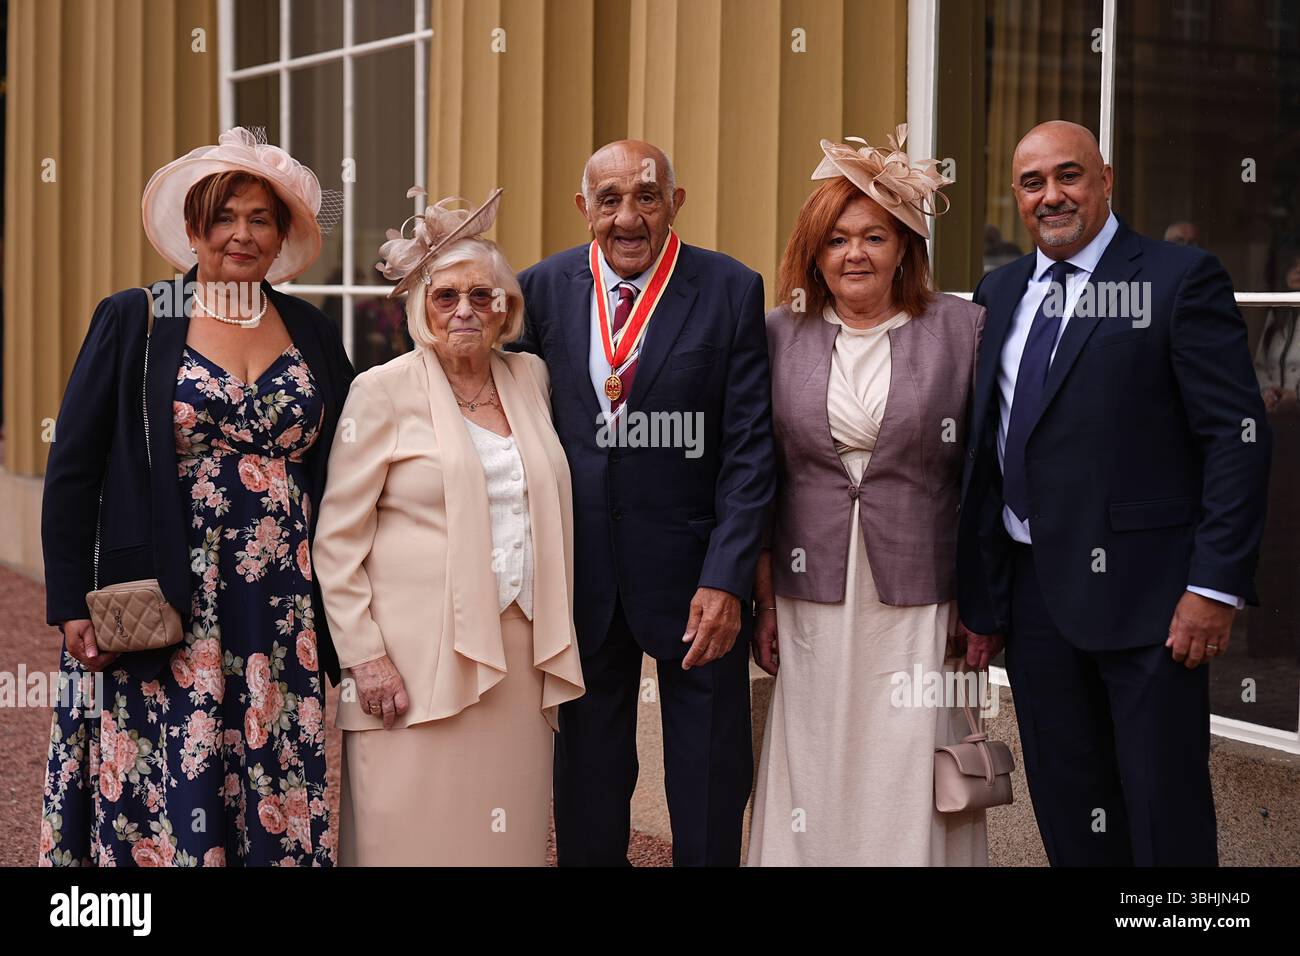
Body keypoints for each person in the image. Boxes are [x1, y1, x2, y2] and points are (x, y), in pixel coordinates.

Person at [957, 120, 1271, 866]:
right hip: (1034, 598)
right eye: (1032, 183)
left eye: (1069, 175)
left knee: (1165, 814)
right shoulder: (998, 292)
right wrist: (984, 595)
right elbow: (987, 453)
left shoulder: (1177, 277)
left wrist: (1213, 587)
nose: (1051, 195)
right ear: (1016, 196)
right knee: (1070, 808)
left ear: (1106, 180)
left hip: (1152, 601)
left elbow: (1236, 438)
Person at [40, 127, 352, 866]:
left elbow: (348, 457)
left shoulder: (311, 328)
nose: (241, 235)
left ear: (281, 237)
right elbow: (75, 466)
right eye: (224, 217)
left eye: (260, 220)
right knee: (165, 762)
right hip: (161, 588)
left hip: (282, 602)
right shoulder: (138, 318)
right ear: (193, 229)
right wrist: (67, 599)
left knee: (271, 756)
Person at [512, 140, 774, 866]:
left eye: (647, 197)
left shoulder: (729, 288)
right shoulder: (539, 289)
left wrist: (726, 578)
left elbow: (750, 451)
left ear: (675, 203)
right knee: (589, 782)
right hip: (581, 577)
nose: (629, 217)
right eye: (610, 200)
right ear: (583, 208)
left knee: (709, 779)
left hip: (697, 580)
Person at [312, 189, 584, 866]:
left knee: (504, 831)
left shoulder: (533, 379)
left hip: (518, 657)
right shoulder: (382, 391)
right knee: (409, 830)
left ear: (505, 309)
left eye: (482, 296)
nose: (465, 310)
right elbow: (335, 540)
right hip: (410, 663)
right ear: (420, 307)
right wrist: (365, 657)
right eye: (445, 296)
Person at [747, 128, 989, 866]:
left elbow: (984, 479)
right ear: (813, 254)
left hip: (921, 588)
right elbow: (757, 474)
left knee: (910, 745)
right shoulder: (776, 335)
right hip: (809, 583)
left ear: (905, 248)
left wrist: (982, 604)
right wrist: (759, 592)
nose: (855, 254)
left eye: (875, 237)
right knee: (817, 743)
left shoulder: (962, 327)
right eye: (837, 240)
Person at [1249, 246, 1300, 661]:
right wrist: (1267, 393)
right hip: (1276, 428)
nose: (1297, 274)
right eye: (1292, 266)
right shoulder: (1276, 314)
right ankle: (1268, 638)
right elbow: (1263, 364)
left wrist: (1294, 397)